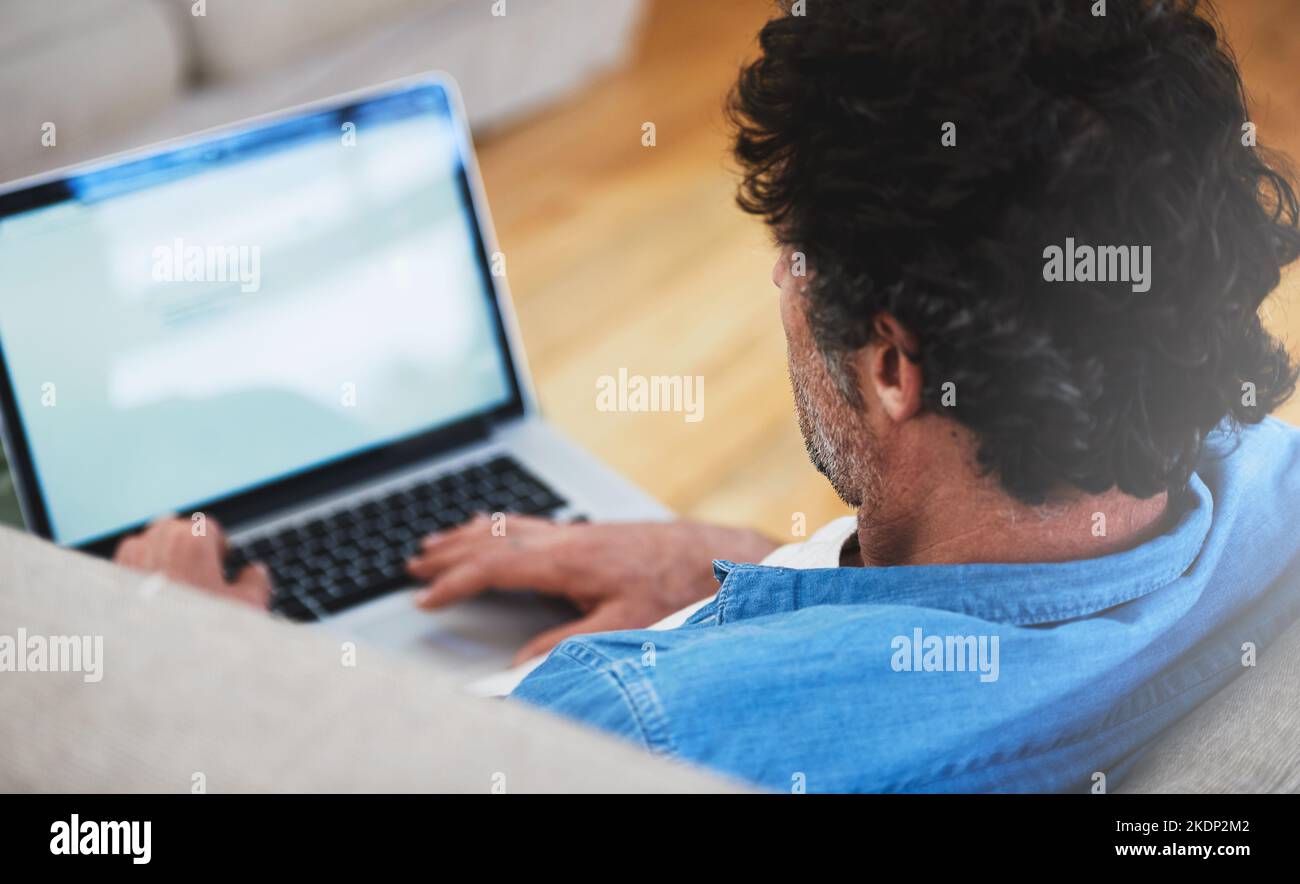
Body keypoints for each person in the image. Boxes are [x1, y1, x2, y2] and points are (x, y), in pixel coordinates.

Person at [114, 0, 1300, 792]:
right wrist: (739, 572)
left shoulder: (634, 733)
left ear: (893, 366)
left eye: (789, 260)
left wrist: (181, 665)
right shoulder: (1269, 494)